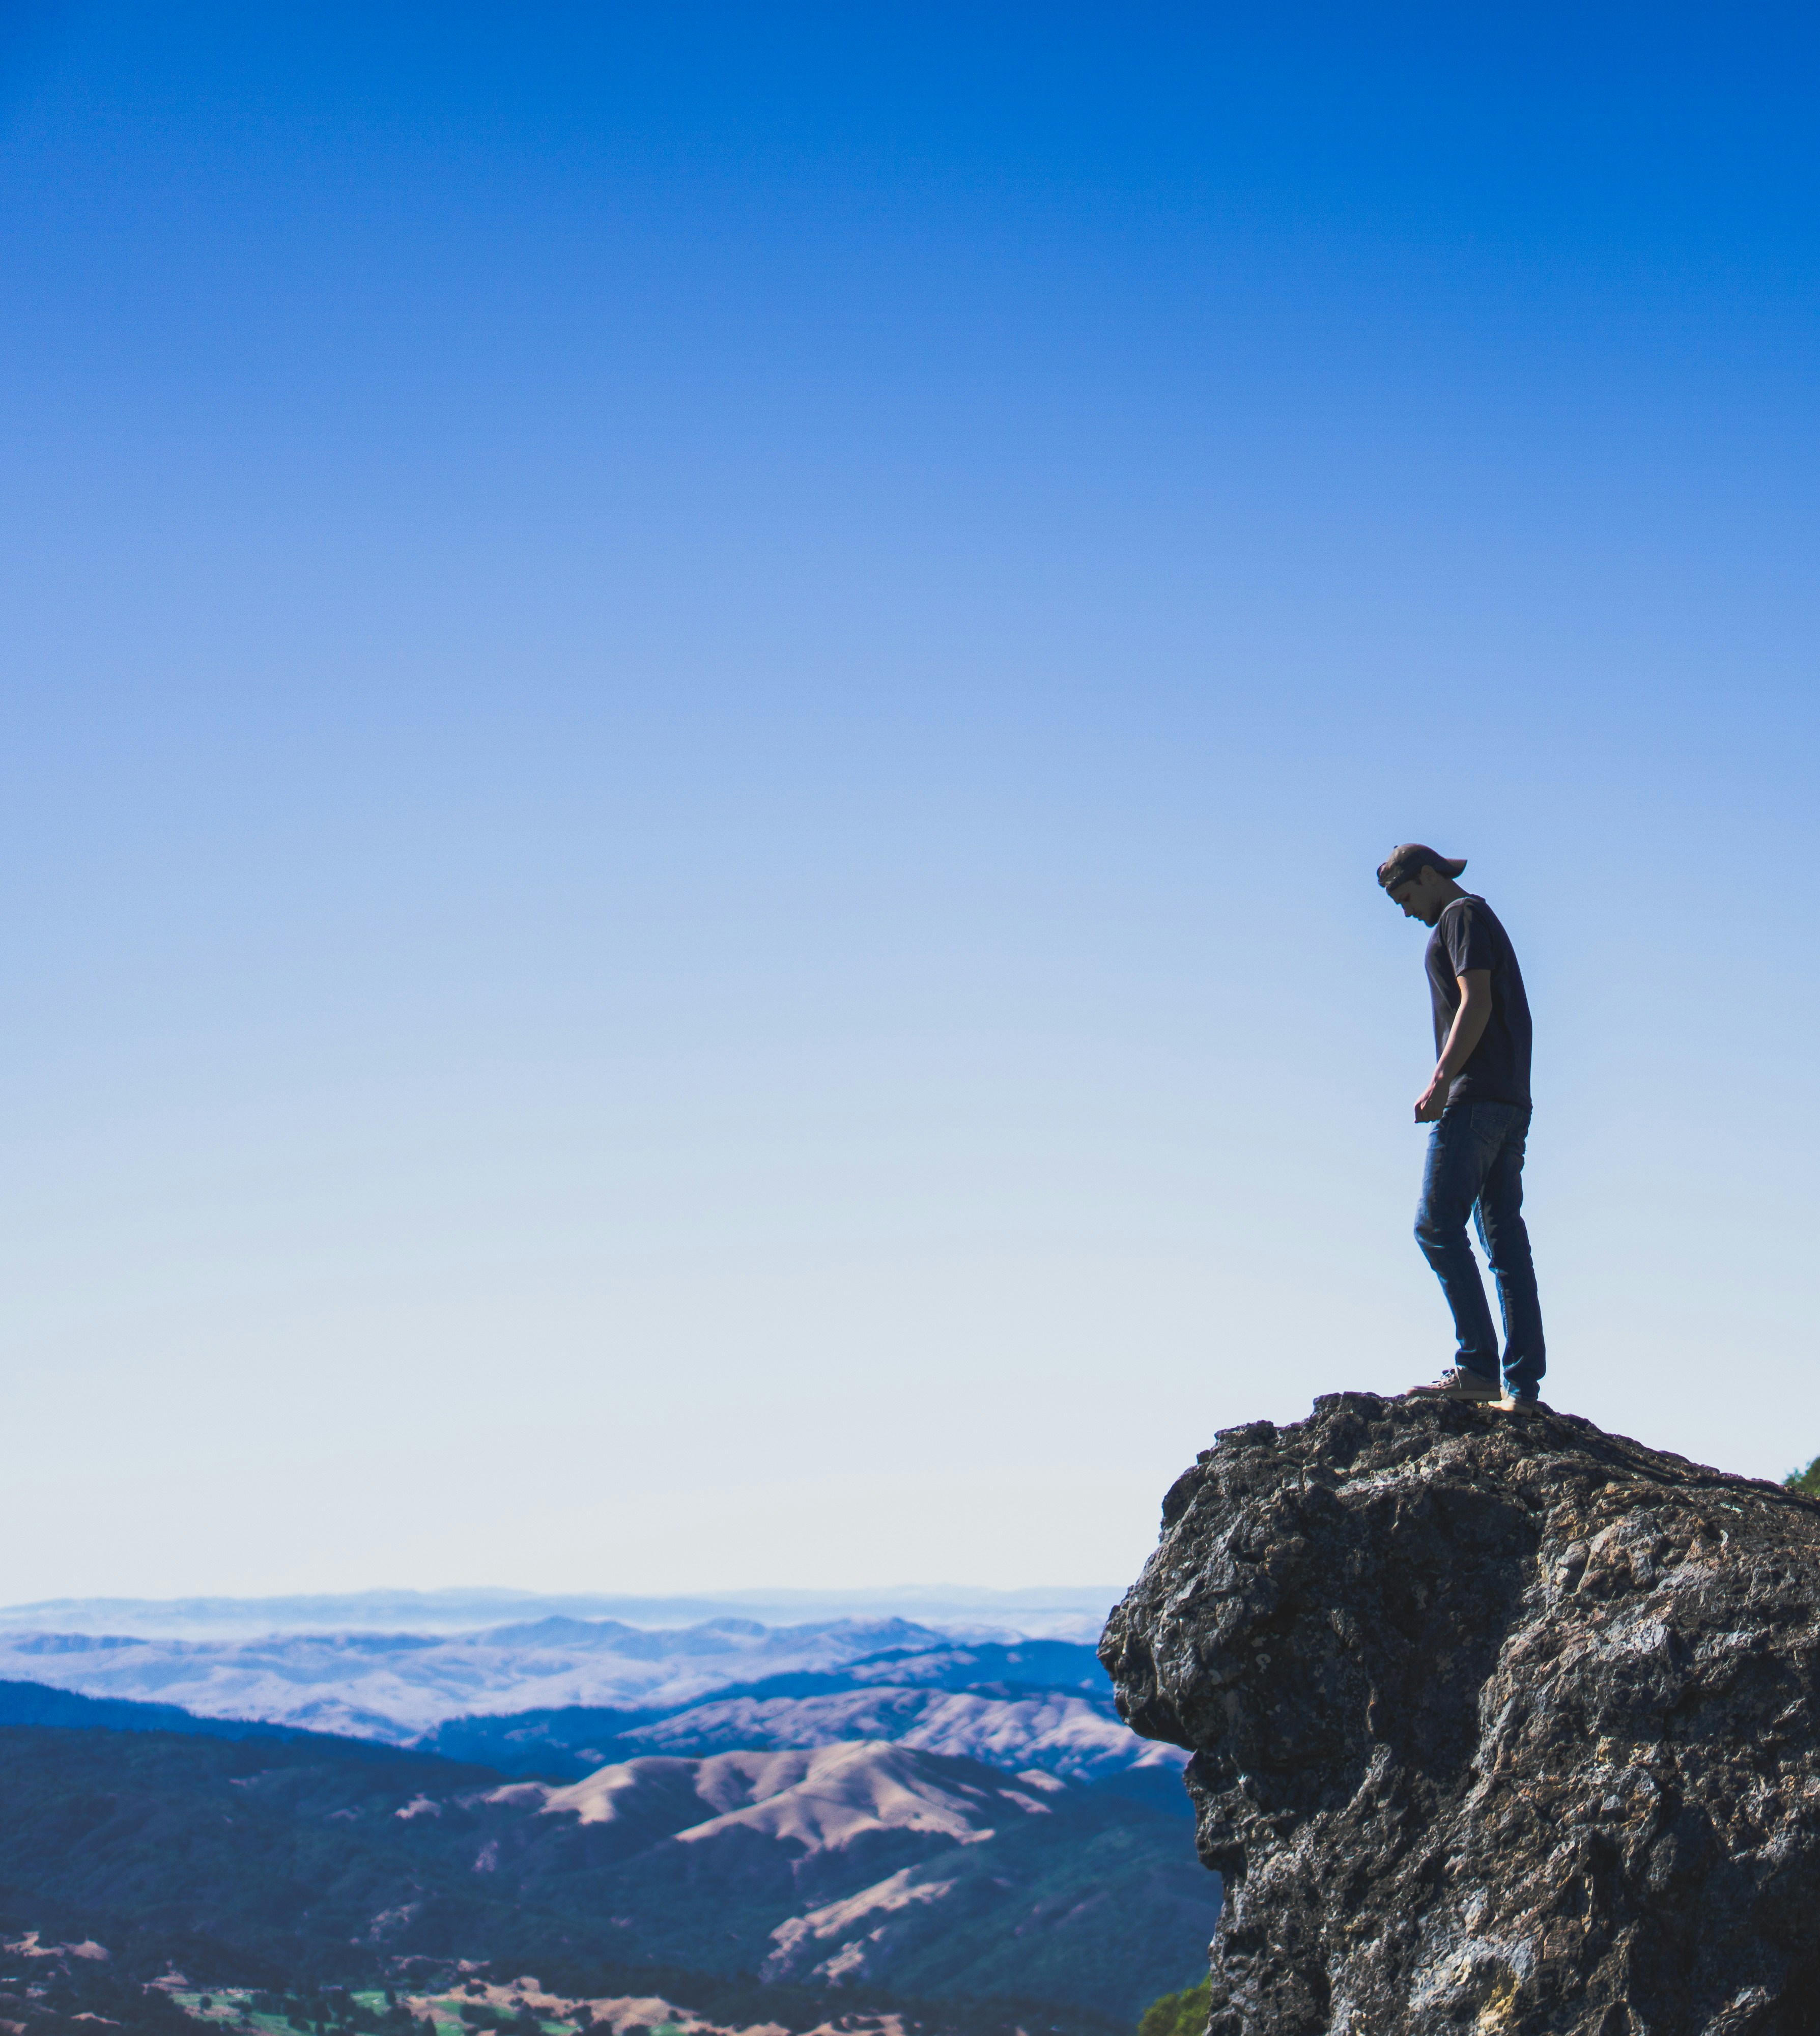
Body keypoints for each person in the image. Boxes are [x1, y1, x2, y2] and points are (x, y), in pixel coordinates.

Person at [1377, 844, 1546, 1410]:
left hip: (1475, 1103)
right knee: (1503, 1241)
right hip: (1511, 1101)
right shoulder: (1474, 916)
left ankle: (1477, 1368)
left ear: (1428, 877)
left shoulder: (1461, 916)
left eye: (1405, 897)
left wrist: (1443, 1078)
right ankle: (1521, 1388)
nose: (1405, 912)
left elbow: (1476, 1000)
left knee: (1436, 1226)